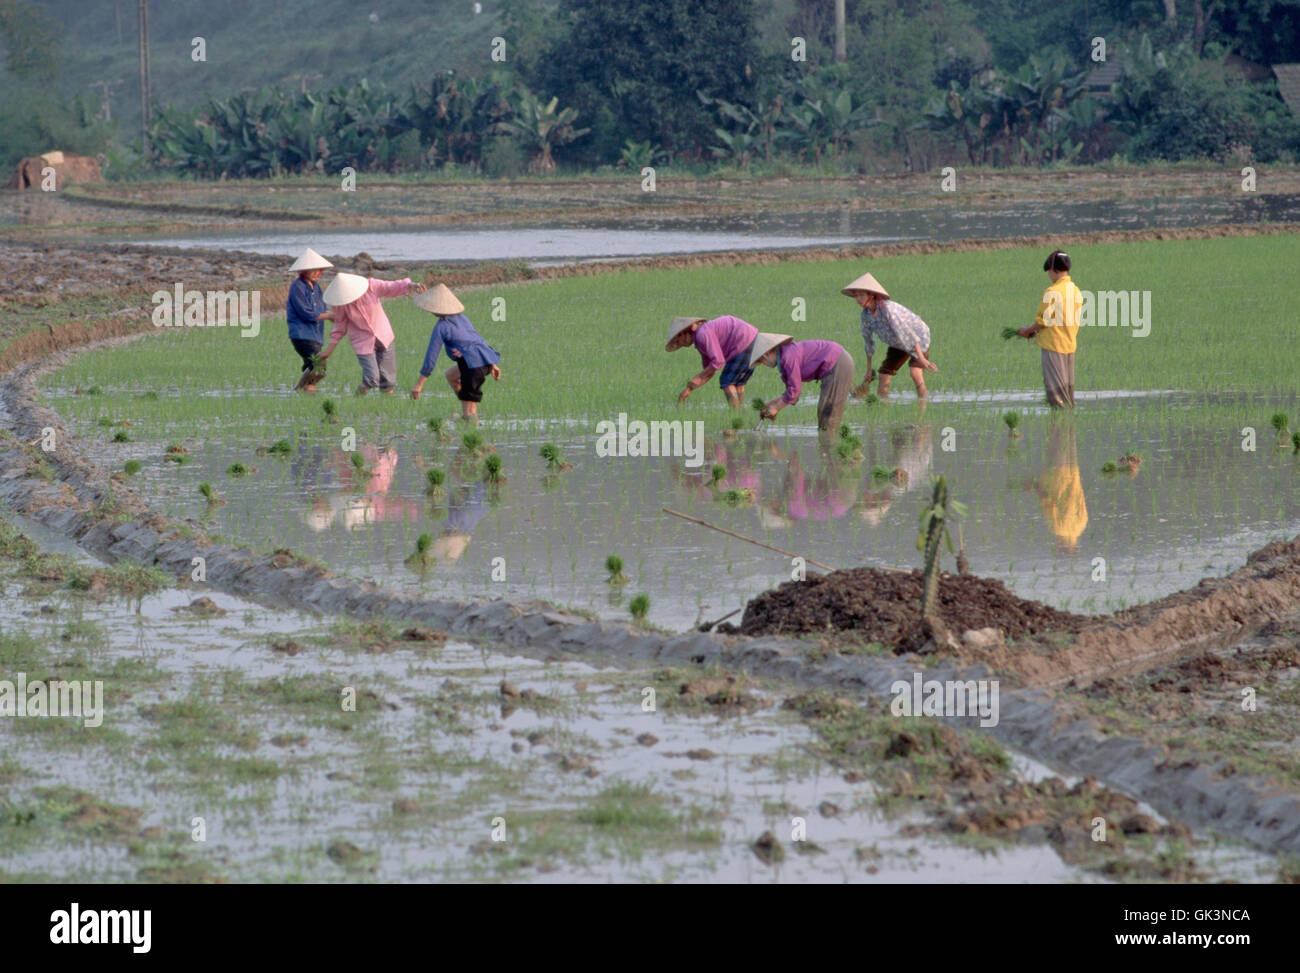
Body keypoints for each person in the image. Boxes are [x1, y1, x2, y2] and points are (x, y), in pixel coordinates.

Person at [318, 272, 426, 395]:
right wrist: (328, 351)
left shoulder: (370, 286)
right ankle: (355, 402)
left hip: (384, 336)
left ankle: (387, 407)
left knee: (388, 381)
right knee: (371, 378)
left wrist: (410, 285)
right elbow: (339, 327)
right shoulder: (341, 304)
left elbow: (391, 287)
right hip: (362, 342)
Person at [410, 283, 502, 420]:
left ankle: (470, 420)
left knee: (470, 410)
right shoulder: (462, 318)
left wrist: (419, 384)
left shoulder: (441, 327)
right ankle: (467, 413)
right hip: (482, 361)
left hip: (472, 366)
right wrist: (492, 364)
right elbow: (477, 339)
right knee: (451, 376)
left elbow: (431, 356)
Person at [842, 272, 937, 400]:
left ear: (871, 295)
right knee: (883, 374)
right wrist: (868, 369)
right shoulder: (865, 315)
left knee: (915, 372)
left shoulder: (888, 309)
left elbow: (907, 333)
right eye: (856, 296)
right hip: (897, 343)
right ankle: (883, 407)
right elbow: (868, 342)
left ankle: (923, 410)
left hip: (918, 338)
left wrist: (921, 357)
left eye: (861, 295)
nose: (858, 299)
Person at [751, 332, 855, 434]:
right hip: (837, 362)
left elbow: (795, 391)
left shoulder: (788, 357)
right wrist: (771, 404)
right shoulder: (784, 358)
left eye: (761, 361)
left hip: (836, 362)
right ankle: (827, 446)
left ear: (768, 353)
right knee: (824, 415)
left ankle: (828, 447)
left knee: (828, 415)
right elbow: (792, 395)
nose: (763, 364)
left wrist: (776, 408)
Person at [1017, 250, 1081, 409]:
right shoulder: (1075, 290)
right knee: (1067, 394)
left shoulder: (1052, 292)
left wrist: (1027, 330)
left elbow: (1043, 320)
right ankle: (1068, 427)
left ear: (1054, 270)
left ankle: (1059, 429)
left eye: (1049, 271)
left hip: (1053, 347)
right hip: (1069, 345)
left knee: (1056, 396)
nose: (1049, 275)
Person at [666, 315, 759, 409]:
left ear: (684, 333)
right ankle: (740, 414)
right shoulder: (701, 337)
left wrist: (697, 377)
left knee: (727, 382)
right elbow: (709, 371)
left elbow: (718, 362)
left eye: (678, 341)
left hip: (742, 340)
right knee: (737, 383)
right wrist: (689, 389)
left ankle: (735, 414)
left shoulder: (701, 335)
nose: (680, 344)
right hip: (752, 338)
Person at [285, 248, 334, 392]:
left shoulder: (317, 288)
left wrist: (339, 318)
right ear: (304, 271)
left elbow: (323, 310)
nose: (318, 273)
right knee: (319, 366)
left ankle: (307, 394)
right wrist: (331, 316)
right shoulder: (297, 287)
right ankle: (297, 390)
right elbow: (308, 314)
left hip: (315, 336)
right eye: (315, 270)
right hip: (302, 335)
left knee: (313, 371)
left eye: (320, 270)